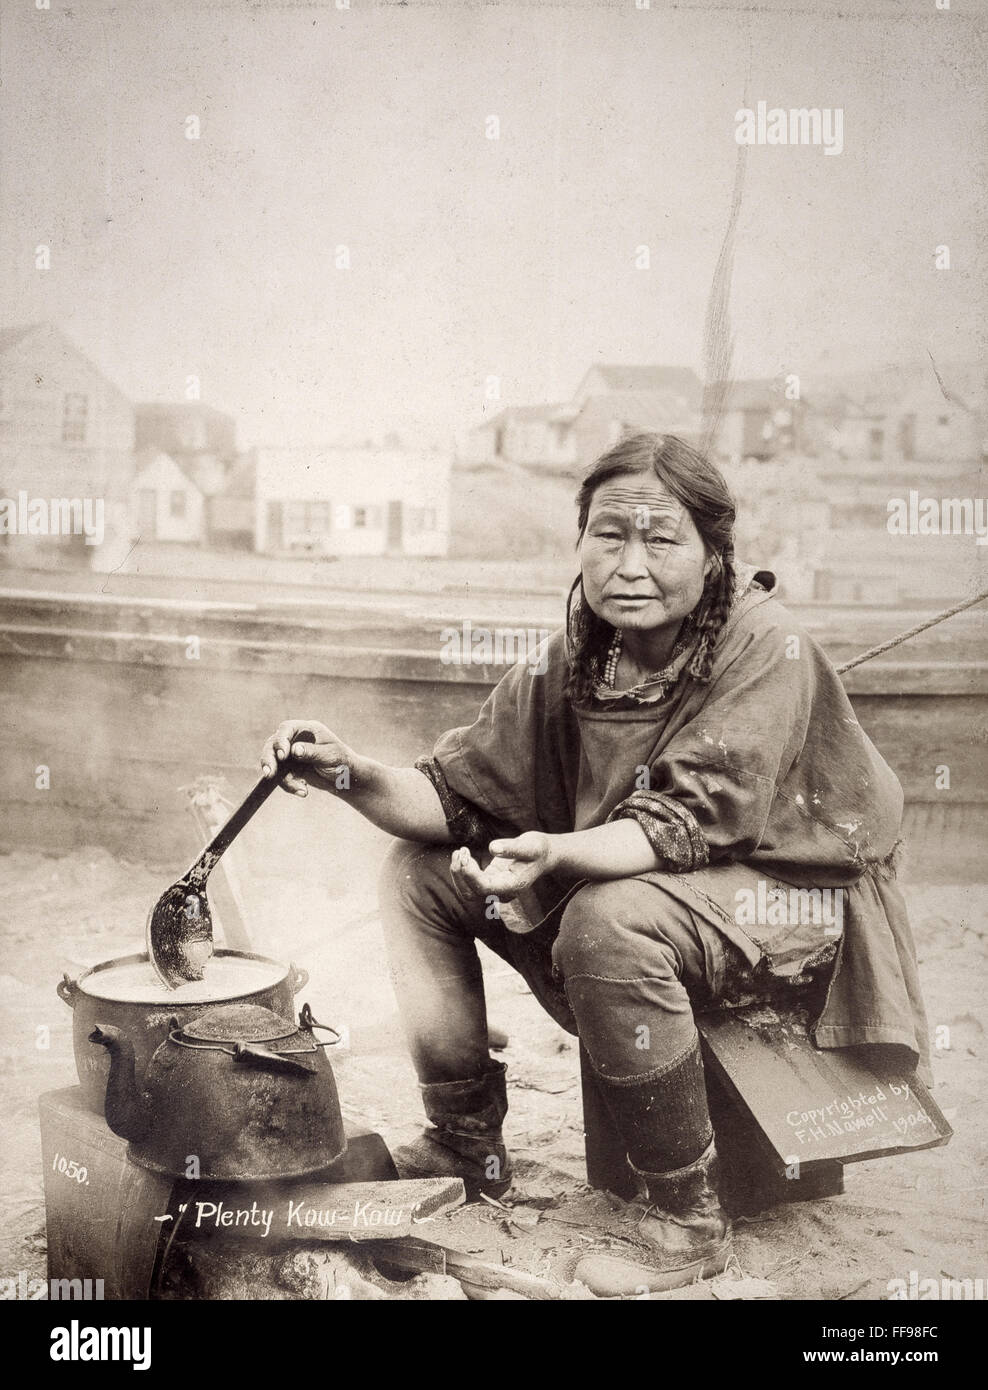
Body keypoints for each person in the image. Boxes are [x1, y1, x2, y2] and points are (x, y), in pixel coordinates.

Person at [260, 432, 929, 1288]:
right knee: (421, 874)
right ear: (580, 541)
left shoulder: (766, 646)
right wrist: (346, 770)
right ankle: (466, 1142)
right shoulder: (584, 654)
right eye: (609, 535)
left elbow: (689, 823)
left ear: (715, 553)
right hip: (668, 886)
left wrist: (559, 856)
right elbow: (455, 791)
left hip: (799, 903)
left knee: (605, 920)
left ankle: (687, 1218)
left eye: (662, 538)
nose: (630, 564)